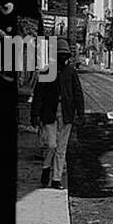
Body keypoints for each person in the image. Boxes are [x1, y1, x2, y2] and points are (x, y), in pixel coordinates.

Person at [30, 38, 85, 189]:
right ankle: (46, 168)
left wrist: (81, 113)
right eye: (59, 55)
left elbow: (77, 93)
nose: (62, 58)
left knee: (62, 148)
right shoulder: (47, 70)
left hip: (66, 113)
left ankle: (56, 179)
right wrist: (34, 114)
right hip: (49, 113)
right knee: (52, 145)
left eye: (64, 55)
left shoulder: (71, 72)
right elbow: (39, 94)